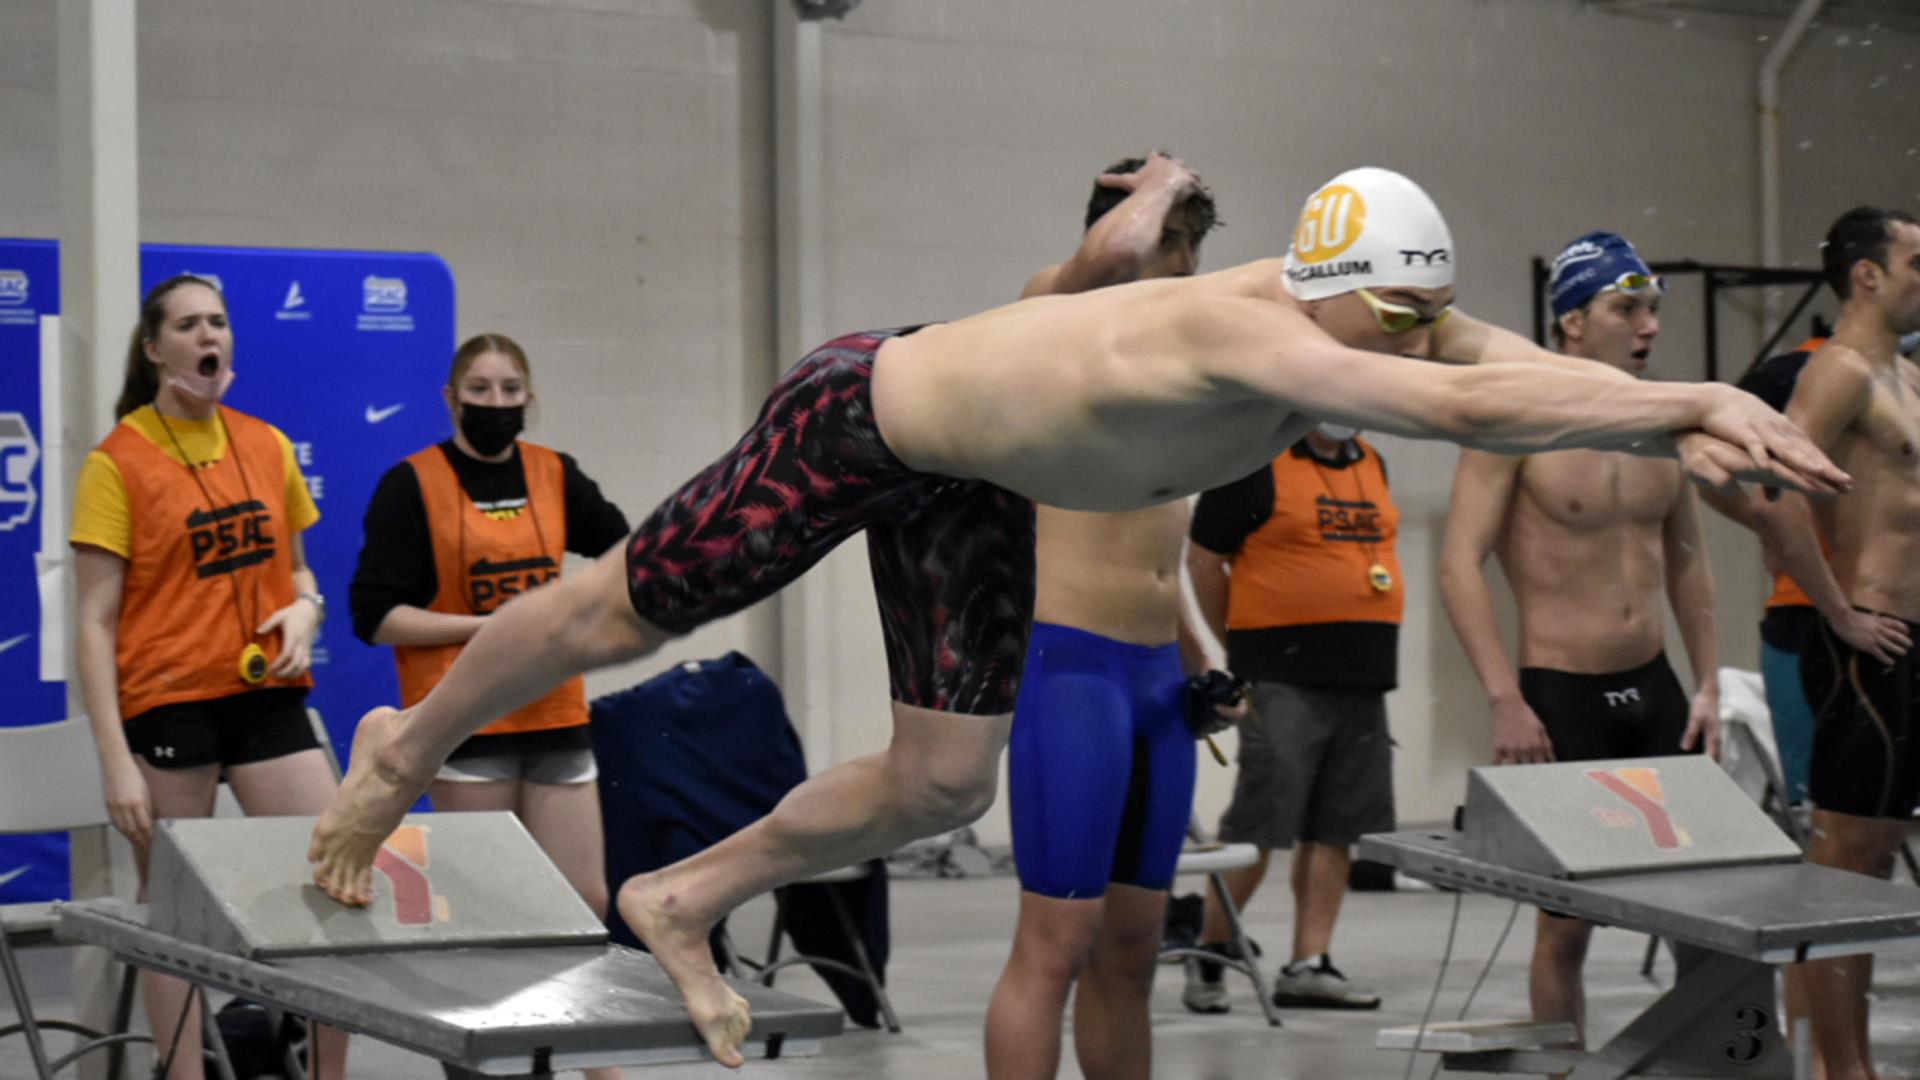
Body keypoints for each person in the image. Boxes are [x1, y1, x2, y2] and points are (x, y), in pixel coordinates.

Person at [310, 168, 1844, 1068]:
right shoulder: (1260, 334)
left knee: (937, 783)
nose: (1398, 333)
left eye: (1408, 314)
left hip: (968, 488)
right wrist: (1697, 398)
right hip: (860, 417)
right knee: (612, 614)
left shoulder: (1358, 305)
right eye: (1381, 315)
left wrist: (1661, 416)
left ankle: (684, 895)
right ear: (1325, 296)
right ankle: (401, 751)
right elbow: (1451, 399)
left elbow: (1478, 348)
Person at [981, 151, 1237, 1080]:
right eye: (1169, 241)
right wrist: (1159, 187)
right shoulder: (1055, 309)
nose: (1182, 266)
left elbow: (1159, 561)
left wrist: (1202, 663)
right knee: (1054, 945)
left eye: (1191, 248)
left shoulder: (1181, 373)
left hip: (1156, 685)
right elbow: (1100, 264)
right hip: (1073, 671)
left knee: (1131, 951)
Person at [1438, 230, 1723, 1051]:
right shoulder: (1518, 418)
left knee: (1703, 916)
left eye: (1652, 310)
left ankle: (1707, 1068)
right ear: (1571, 321)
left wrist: (1707, 684)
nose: (1648, 327)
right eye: (1626, 308)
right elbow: (1460, 564)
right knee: (1566, 927)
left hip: (1658, 687)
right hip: (1563, 696)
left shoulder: (1660, 418)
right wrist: (1504, 697)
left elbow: (1689, 562)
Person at [71, 275, 350, 1080]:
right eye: (189, 325)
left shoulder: (265, 443)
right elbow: (93, 624)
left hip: (265, 702)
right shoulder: (115, 462)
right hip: (169, 709)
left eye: (219, 322)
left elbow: (300, 576)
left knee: (336, 881)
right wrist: (114, 759)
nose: (208, 336)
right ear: (156, 349)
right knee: (178, 917)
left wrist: (307, 612)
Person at [347, 333, 630, 1077]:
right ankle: (491, 1059)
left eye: (510, 390)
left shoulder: (554, 474)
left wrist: (576, 619)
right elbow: (374, 614)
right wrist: (493, 632)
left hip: (556, 712)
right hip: (465, 721)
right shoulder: (410, 484)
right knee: (491, 913)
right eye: (480, 389)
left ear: (529, 400)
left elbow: (624, 553)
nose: (496, 404)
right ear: (450, 398)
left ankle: (594, 1056)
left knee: (582, 897)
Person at [1751, 207, 1920, 1080]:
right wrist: (1837, 611)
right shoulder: (1840, 373)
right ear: (1867, 274)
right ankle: (1838, 1070)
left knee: (1877, 862)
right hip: (1863, 643)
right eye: (1917, 261)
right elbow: (1772, 491)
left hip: (1906, 646)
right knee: (1844, 864)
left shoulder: (1908, 378)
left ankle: (1846, 1064)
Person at [1181, 421, 1401, 1014]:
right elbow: (1204, 561)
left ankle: (1310, 963)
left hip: (1362, 675)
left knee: (1337, 827)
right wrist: (1240, 649)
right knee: (1260, 823)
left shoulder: (1372, 461)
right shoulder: (1257, 461)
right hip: (1281, 677)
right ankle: (1212, 951)